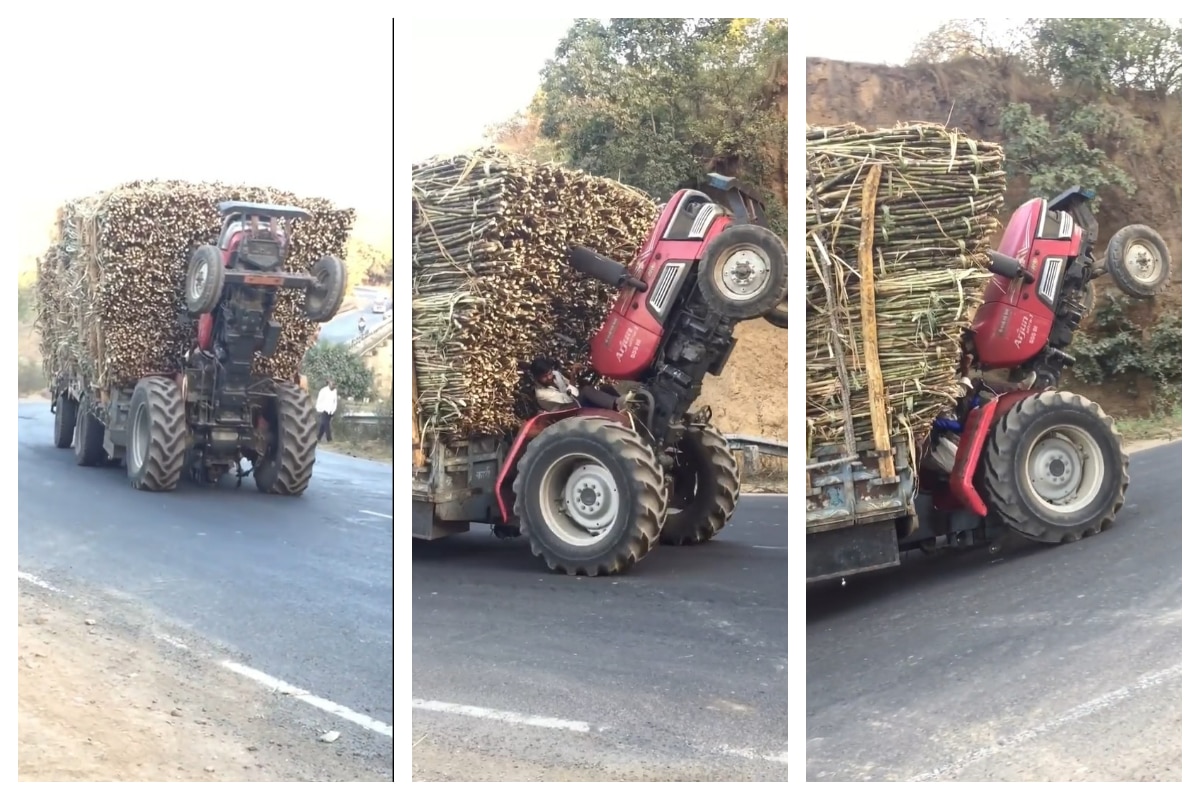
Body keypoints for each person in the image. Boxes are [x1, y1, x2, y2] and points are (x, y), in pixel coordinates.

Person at [529, 357, 622, 413]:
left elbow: (571, 387)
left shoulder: (555, 374)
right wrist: (573, 375)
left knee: (606, 388)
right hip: (566, 411)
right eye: (544, 376)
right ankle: (618, 406)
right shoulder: (541, 394)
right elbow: (568, 398)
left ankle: (625, 403)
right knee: (586, 391)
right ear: (537, 378)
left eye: (549, 373)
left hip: (573, 400)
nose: (549, 377)